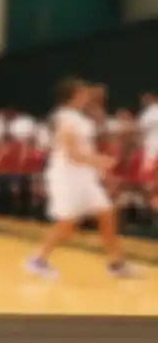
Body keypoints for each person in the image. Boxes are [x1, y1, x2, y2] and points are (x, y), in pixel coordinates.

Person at [25, 78, 138, 280]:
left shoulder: (78, 117)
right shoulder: (64, 117)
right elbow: (71, 154)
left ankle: (116, 264)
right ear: (75, 95)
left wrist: (96, 163)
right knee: (66, 224)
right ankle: (38, 260)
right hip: (67, 177)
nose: (87, 95)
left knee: (106, 214)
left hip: (84, 176)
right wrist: (99, 161)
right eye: (84, 92)